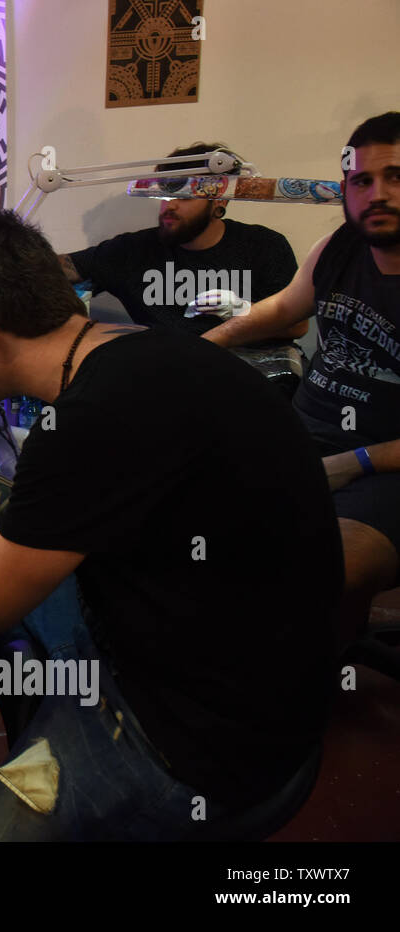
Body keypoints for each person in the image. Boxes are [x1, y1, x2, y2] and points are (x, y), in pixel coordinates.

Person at [0, 207, 342, 840]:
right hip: (274, 689)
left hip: (203, 744)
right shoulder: (139, 351)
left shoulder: (90, 421)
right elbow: (53, 523)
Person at [204, 112, 400, 643]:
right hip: (304, 437)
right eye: (362, 181)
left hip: (386, 468)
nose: (377, 194)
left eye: (395, 177)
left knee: (320, 570)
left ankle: (301, 693)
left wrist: (350, 463)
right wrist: (202, 347)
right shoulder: (340, 249)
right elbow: (283, 308)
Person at [58, 143, 304, 341]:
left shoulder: (264, 246)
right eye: (165, 195)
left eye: (185, 196)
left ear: (220, 201)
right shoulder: (133, 251)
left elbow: (297, 326)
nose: (170, 206)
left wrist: (242, 310)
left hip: (245, 377)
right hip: (168, 376)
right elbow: (61, 268)